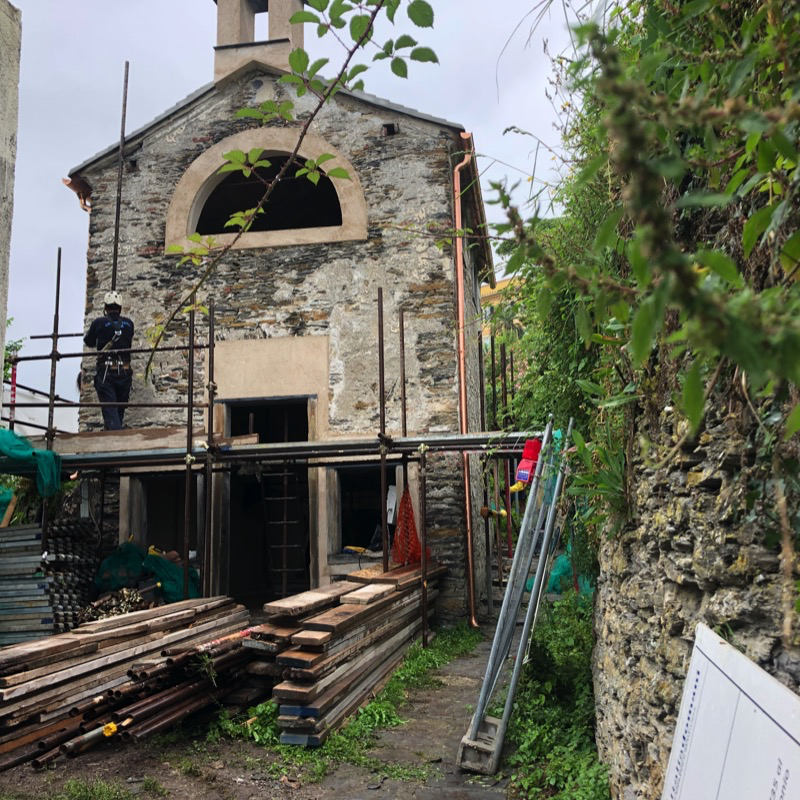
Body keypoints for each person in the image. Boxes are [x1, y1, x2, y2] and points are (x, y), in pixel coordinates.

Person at [84, 290, 134, 430]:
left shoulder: (99, 323)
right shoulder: (129, 324)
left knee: (110, 409)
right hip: (124, 371)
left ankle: (117, 441)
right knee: (119, 410)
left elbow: (88, 341)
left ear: (105, 308)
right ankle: (113, 434)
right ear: (120, 307)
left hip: (106, 372)